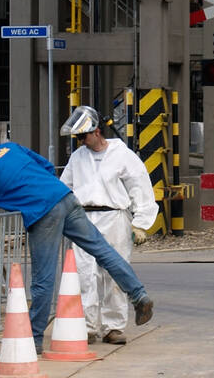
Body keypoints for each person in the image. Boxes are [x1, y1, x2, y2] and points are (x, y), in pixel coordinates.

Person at [0, 134, 154, 353]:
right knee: (103, 251)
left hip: (42, 212)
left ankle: (34, 340)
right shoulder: (8, 148)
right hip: (65, 198)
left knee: (42, 280)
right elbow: (45, 165)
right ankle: (138, 294)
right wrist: (42, 189)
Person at [58, 105, 157, 345]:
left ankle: (113, 327)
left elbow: (139, 186)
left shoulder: (121, 155)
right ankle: (88, 326)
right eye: (78, 137)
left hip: (114, 217)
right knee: (85, 273)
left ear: (97, 131)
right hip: (84, 217)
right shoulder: (77, 158)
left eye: (84, 136)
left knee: (114, 272)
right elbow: (65, 187)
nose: (81, 141)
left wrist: (140, 223)